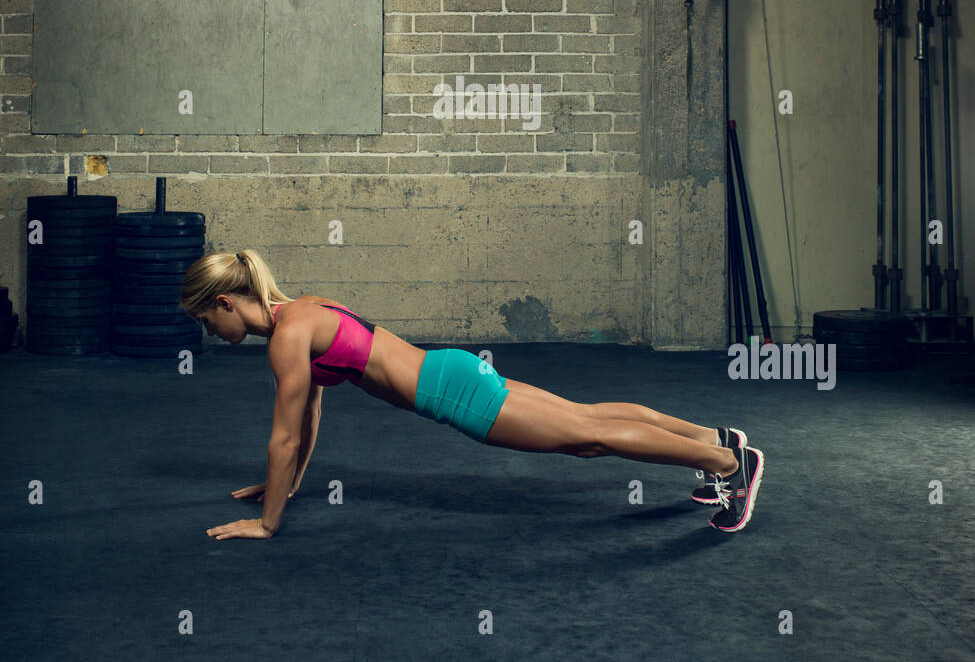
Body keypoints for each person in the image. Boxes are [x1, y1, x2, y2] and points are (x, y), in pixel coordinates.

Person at [180, 249, 764, 540]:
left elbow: (284, 435)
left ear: (225, 302)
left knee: (588, 438)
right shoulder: (303, 313)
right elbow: (307, 419)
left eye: (208, 321)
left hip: (454, 396)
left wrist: (268, 521)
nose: (211, 333)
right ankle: (717, 439)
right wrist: (288, 483)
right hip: (452, 371)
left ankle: (729, 464)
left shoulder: (286, 338)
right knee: (585, 421)